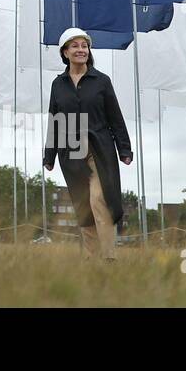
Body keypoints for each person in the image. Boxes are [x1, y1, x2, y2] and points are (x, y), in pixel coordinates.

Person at [42, 28, 132, 260]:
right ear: (65, 52)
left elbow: (115, 117)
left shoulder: (101, 81)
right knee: (84, 208)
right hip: (70, 153)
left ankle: (109, 256)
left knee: (99, 199)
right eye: (75, 46)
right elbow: (54, 120)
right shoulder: (58, 84)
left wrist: (125, 148)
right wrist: (49, 156)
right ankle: (93, 260)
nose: (81, 50)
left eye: (84, 46)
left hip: (99, 150)